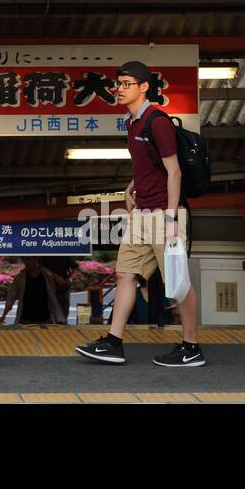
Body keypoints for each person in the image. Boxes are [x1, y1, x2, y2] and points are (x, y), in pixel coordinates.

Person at [75, 61, 205, 367]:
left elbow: (174, 172)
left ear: (144, 87)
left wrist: (172, 220)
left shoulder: (157, 121)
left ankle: (191, 346)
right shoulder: (132, 122)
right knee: (125, 273)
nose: (119, 89)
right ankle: (113, 342)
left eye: (126, 84)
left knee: (178, 281)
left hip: (164, 214)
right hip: (141, 213)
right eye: (118, 84)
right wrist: (131, 187)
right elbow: (149, 163)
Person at [0, 257, 69, 324]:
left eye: (34, 258)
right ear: (24, 261)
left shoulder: (46, 275)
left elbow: (62, 283)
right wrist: (4, 315)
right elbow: (11, 297)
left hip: (46, 318)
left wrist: (50, 273)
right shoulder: (20, 278)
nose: (31, 262)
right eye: (28, 259)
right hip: (25, 319)